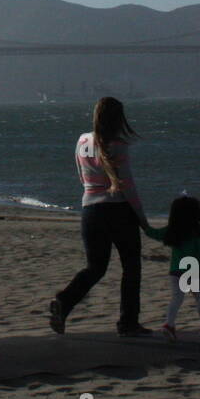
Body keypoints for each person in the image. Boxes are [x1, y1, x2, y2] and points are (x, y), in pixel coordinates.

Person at [50, 97, 154, 338]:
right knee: (131, 267)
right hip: (118, 211)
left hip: (91, 210)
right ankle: (128, 323)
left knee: (95, 267)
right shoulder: (119, 145)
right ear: (118, 119)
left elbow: (81, 177)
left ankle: (64, 301)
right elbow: (128, 186)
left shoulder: (82, 141)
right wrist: (143, 219)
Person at [145, 194, 200, 340]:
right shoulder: (198, 231)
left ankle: (169, 324)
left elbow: (154, 233)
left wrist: (143, 224)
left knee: (177, 298)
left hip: (175, 272)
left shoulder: (172, 231)